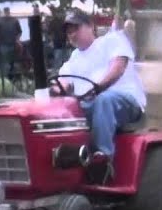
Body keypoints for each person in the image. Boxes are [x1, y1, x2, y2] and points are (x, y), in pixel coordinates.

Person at [48, 10, 147, 184]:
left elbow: (118, 67)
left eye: (75, 28)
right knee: (62, 110)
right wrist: (56, 90)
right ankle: (63, 163)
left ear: (91, 26)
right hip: (89, 105)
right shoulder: (74, 58)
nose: (71, 34)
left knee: (104, 100)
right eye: (68, 31)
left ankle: (103, 161)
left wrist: (99, 87)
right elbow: (63, 81)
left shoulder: (111, 40)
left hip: (125, 100)